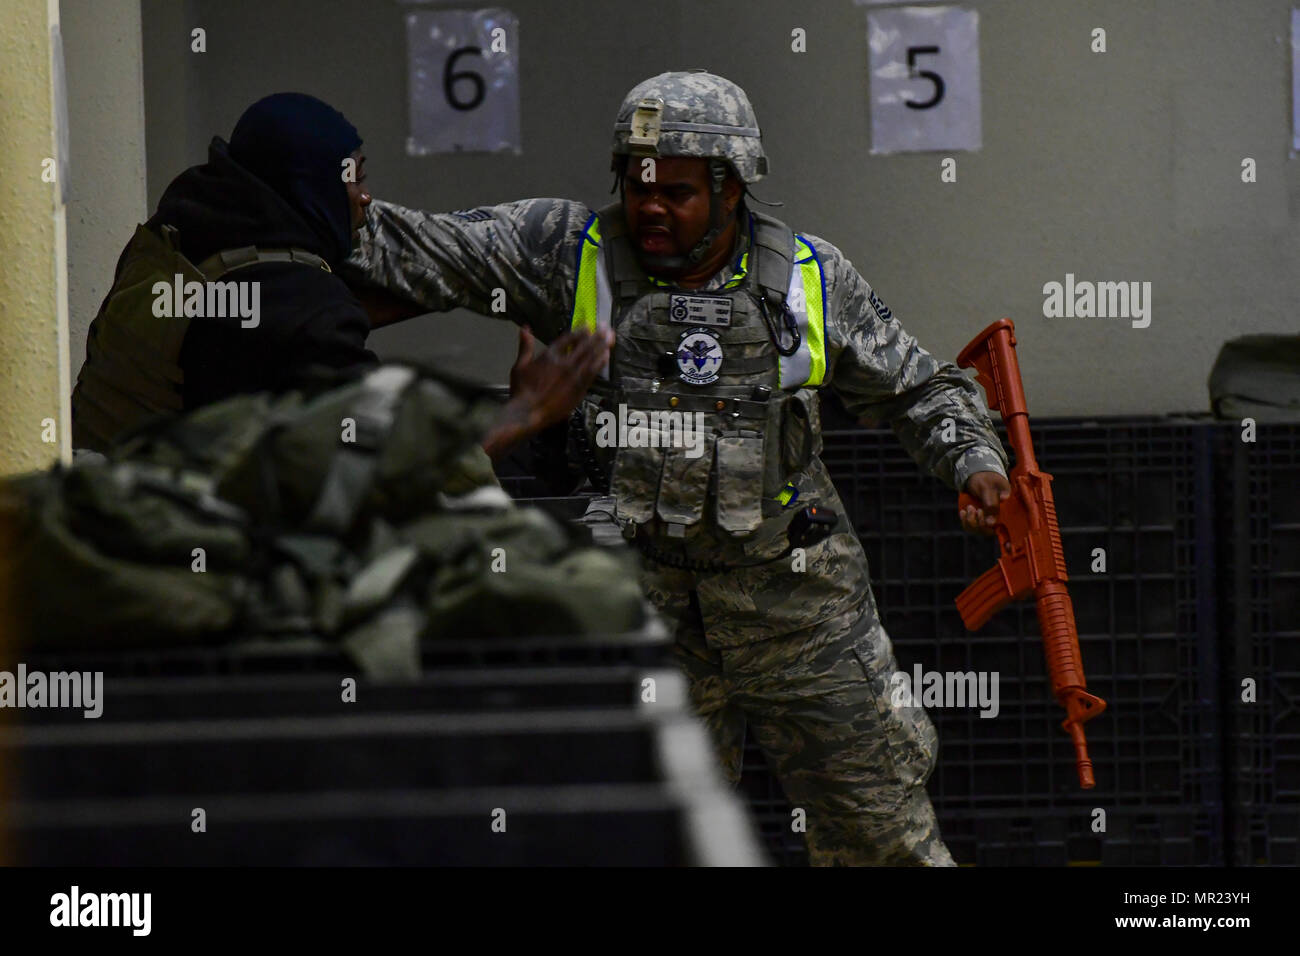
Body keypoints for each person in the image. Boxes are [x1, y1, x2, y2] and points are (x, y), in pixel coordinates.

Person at [341, 70, 1013, 866]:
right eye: (637, 182)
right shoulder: (566, 253)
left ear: (732, 192)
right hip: (645, 603)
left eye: (679, 192)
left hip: (801, 601)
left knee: (883, 837)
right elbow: (415, 250)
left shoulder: (808, 279)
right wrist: (308, 197)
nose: (650, 207)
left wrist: (974, 462)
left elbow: (920, 386)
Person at [70, 92, 607, 460]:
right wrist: (526, 411)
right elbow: (385, 466)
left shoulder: (177, 237)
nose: (365, 200)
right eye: (354, 180)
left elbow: (251, 345)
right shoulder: (298, 306)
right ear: (306, 185)